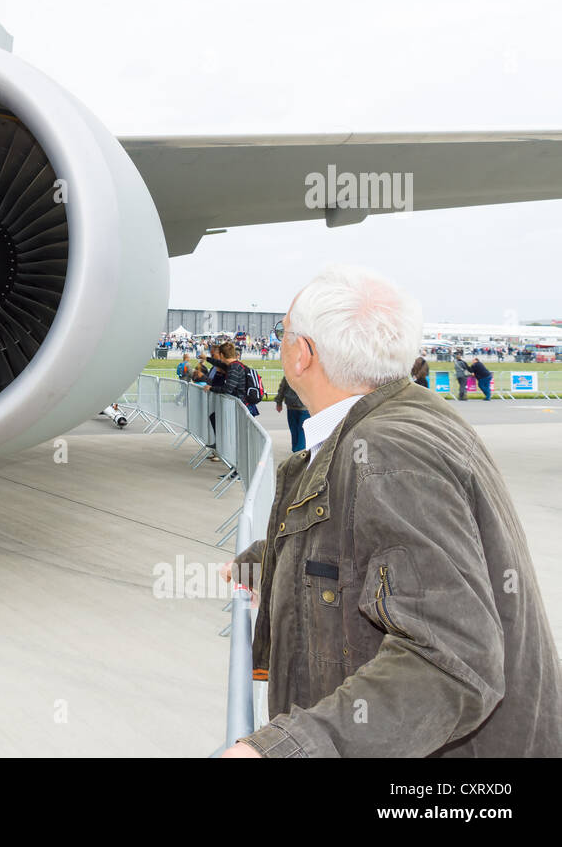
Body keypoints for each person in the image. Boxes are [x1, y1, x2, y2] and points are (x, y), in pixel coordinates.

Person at [219, 264, 561, 757]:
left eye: (283, 334)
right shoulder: (396, 420)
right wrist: (266, 563)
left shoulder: (386, 452)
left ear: (302, 355)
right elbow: (355, 547)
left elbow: (449, 658)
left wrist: (286, 749)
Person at [274, 375, 309, 452]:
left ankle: (298, 450)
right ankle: (298, 450)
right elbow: (282, 387)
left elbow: (282, 388)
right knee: (299, 430)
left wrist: (279, 402)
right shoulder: (310, 373)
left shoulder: (290, 373)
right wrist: (279, 402)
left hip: (297, 406)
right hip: (299, 407)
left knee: (298, 430)